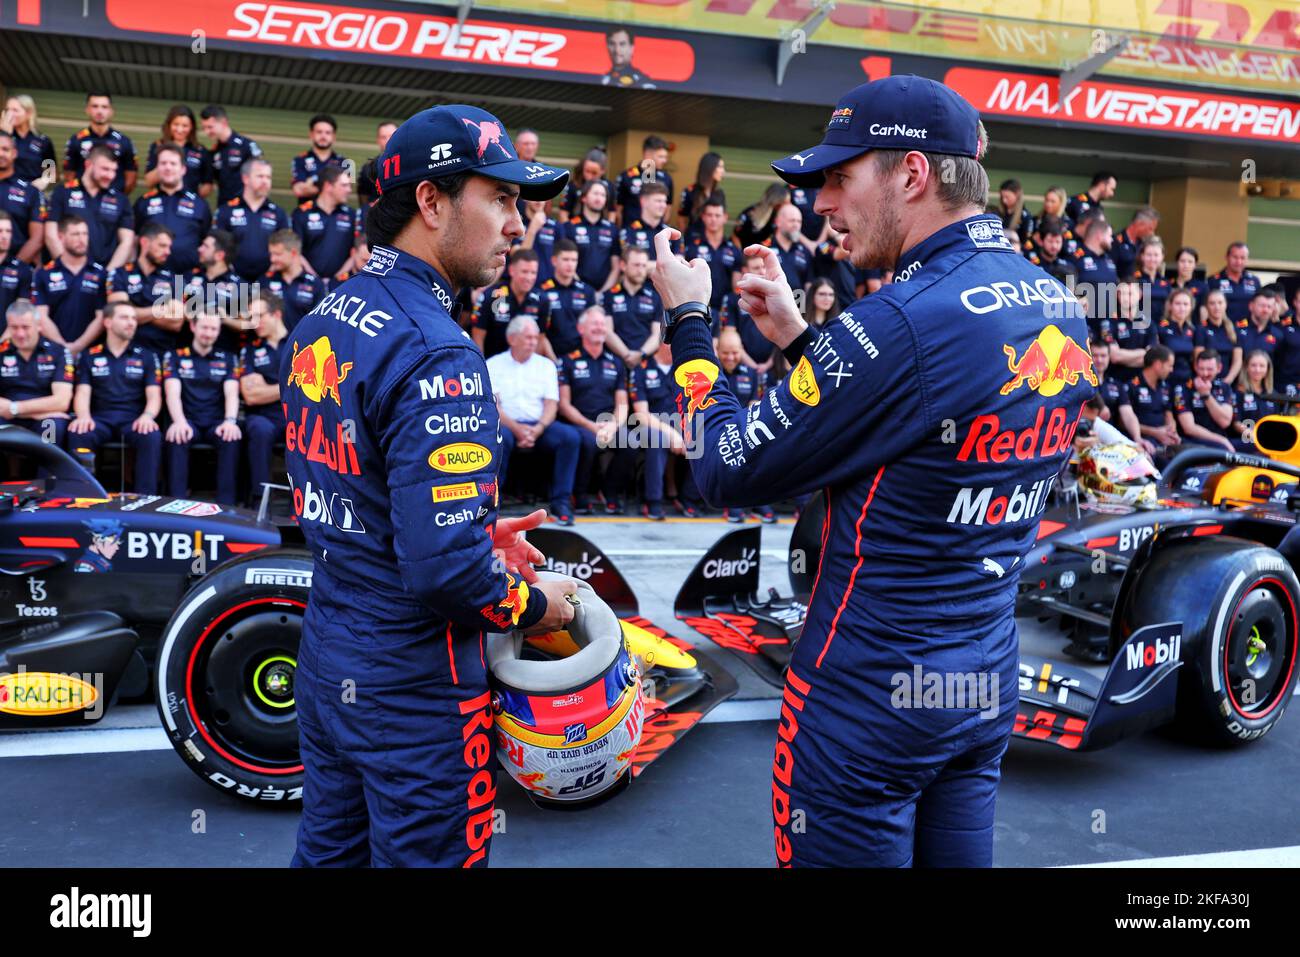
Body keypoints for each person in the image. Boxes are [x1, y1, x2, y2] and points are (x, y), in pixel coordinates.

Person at [651, 74, 1095, 867]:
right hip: (980, 680)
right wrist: (796, 335)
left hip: (867, 699)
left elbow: (725, 467)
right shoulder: (1055, 301)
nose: (822, 202)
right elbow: (913, 420)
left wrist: (689, 324)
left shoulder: (897, 317)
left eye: (840, 176)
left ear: (913, 175)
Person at [282, 104, 576, 867]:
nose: (520, 225)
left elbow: (367, 493)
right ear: (432, 202)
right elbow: (445, 571)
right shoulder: (439, 353)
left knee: (328, 858)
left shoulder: (324, 317)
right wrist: (540, 604)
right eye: (503, 199)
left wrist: (468, 531)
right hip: (414, 680)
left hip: (329, 649)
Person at [487, 315, 582, 525]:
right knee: (498, 439)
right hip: (506, 425)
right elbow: (494, 407)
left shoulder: (546, 366)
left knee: (570, 438)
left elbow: (551, 404)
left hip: (539, 425)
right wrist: (517, 428)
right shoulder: (493, 364)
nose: (533, 341)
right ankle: (494, 502)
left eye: (535, 337)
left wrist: (537, 429)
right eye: (528, 337)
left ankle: (561, 502)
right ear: (512, 339)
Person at [66, 301, 163, 492]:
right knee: (78, 431)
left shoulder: (146, 356)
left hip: (133, 420)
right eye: (125, 317)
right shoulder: (89, 356)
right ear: (108, 322)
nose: (131, 323)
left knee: (151, 435)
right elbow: (83, 391)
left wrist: (148, 416)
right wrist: (83, 416)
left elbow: (154, 395)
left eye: (134, 318)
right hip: (99, 418)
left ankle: (146, 499)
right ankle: (82, 496)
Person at [558, 306, 631, 514]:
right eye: (594, 324)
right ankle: (579, 495)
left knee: (631, 441)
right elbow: (564, 405)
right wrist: (591, 426)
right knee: (589, 442)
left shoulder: (616, 363)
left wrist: (613, 426)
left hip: (608, 423)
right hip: (579, 423)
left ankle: (610, 492)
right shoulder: (568, 361)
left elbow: (622, 404)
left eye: (602, 324)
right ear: (581, 329)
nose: (599, 328)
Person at [163, 312, 240, 503]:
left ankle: (227, 505)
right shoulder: (175, 357)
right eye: (204, 327)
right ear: (193, 327)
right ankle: (176, 501)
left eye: (213, 329)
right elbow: (172, 392)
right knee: (177, 435)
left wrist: (230, 421)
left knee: (231, 437)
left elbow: (232, 392)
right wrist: (179, 421)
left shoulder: (228, 358)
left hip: (216, 422)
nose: (209, 333)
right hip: (188, 420)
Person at [715, 328, 775, 524]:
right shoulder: (712, 374)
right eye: (725, 352)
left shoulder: (752, 374)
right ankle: (731, 503)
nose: (731, 357)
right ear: (717, 350)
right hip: (716, 428)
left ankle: (758, 500)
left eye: (735, 352)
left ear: (741, 350)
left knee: (762, 443)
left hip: (743, 425)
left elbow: (754, 404)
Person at [46, 146, 134, 272]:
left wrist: (108, 275)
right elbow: (51, 235)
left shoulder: (121, 200)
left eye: (114, 170)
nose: (110, 175)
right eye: (105, 169)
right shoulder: (62, 193)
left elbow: (127, 242)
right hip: (67, 275)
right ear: (88, 164)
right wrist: (69, 269)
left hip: (105, 277)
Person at [0, 299, 74, 446]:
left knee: (53, 428)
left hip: (45, 418)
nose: (20, 333)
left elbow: (62, 401)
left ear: (39, 326)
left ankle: (46, 470)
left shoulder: (58, 351)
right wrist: (26, 411)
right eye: (14, 327)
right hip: (8, 416)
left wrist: (15, 408)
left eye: (25, 327)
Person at [32, 216, 109, 355]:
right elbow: (41, 316)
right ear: (61, 237)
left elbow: (102, 317)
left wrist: (78, 346)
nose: (82, 239)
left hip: (92, 354)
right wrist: (64, 348)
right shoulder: (43, 274)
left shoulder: (101, 274)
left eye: (85, 234)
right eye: (75, 234)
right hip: (53, 352)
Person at [108, 222, 184, 360]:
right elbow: (117, 315)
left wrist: (136, 311)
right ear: (144, 242)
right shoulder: (120, 274)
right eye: (162, 246)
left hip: (163, 355)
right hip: (125, 354)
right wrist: (163, 309)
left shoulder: (176, 280)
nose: (168, 252)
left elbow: (177, 323)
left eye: (169, 247)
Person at [238, 293, 288, 505]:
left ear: (276, 314)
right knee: (259, 429)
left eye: (259, 316)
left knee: (312, 427)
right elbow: (251, 396)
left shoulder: (300, 342)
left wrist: (267, 388)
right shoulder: (250, 350)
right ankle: (261, 501)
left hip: (294, 414)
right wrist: (291, 385)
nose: (254, 323)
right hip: (262, 416)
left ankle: (303, 500)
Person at [627, 339, 684, 520]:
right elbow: (642, 415)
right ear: (663, 343)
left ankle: (690, 499)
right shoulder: (642, 369)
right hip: (648, 425)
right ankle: (654, 501)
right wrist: (672, 433)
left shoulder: (685, 369)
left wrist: (687, 430)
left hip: (682, 424)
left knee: (705, 436)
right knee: (658, 439)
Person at [132, 144, 211, 274]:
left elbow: (206, 242)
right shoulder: (143, 203)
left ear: (183, 169)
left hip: (186, 280)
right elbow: (133, 243)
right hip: (151, 278)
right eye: (163, 163)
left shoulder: (199, 205)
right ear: (157, 168)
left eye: (173, 164)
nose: (168, 167)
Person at [215, 158, 289, 282]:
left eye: (268, 177)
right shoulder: (226, 211)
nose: (265, 181)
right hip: (232, 281)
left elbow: (285, 246)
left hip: (267, 282)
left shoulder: (278, 214)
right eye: (260, 176)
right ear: (246, 179)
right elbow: (217, 244)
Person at [471, 247, 550, 359]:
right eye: (525, 272)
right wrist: (482, 366)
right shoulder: (494, 296)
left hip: (524, 367)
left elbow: (540, 338)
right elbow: (478, 336)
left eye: (533, 273)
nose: (529, 277)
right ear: (511, 270)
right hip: (493, 364)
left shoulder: (541, 300)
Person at [292, 166, 360, 281]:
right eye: (344, 185)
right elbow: (295, 251)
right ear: (328, 186)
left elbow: (356, 252)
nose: (349, 190)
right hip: (306, 283)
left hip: (341, 284)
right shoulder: (301, 213)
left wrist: (336, 279)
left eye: (349, 185)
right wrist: (315, 279)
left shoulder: (351, 215)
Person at [600, 245, 661, 368]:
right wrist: (627, 355)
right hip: (614, 363)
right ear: (623, 265)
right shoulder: (609, 296)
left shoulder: (655, 298)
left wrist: (640, 354)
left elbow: (657, 334)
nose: (640, 270)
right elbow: (607, 331)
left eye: (644, 266)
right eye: (636, 265)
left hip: (646, 363)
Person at [187, 230, 248, 353]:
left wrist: (225, 319)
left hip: (225, 356)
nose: (200, 249)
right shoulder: (188, 277)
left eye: (206, 246)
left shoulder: (240, 285)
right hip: (188, 355)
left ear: (219, 255)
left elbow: (247, 325)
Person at [63, 92, 136, 194]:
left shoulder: (124, 141)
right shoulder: (76, 140)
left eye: (104, 107)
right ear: (87, 110)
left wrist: (118, 199)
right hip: (83, 202)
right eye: (95, 106)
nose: (99, 111)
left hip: (113, 204)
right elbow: (69, 175)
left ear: (111, 111)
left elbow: (131, 178)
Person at [1117, 345, 1179, 463]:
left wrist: (1172, 432)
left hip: (1163, 438)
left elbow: (1168, 413)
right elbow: (1122, 423)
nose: (1171, 370)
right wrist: (1155, 433)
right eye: (1170, 366)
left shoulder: (1165, 386)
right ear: (1158, 365)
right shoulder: (1132, 386)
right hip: (1143, 439)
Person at [682, 196, 741, 314]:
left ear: (725, 217)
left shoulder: (734, 250)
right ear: (703, 217)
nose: (713, 219)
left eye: (717, 215)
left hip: (724, 312)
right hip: (696, 308)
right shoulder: (691, 247)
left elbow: (737, 287)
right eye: (709, 215)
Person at [262, 230, 327, 334]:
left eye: (278, 254)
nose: (272, 259)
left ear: (293, 253)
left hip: (302, 346)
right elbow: (248, 315)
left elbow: (321, 322)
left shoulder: (315, 284)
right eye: (271, 254)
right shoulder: (264, 280)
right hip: (273, 347)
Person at [538, 238, 595, 356]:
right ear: (554, 261)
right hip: (549, 356)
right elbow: (539, 332)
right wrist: (554, 361)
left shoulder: (587, 291)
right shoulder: (541, 291)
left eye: (574, 260)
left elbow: (591, 329)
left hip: (581, 359)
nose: (570, 264)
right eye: (565, 259)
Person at [1172, 349, 1235, 451]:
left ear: (1219, 368)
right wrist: (1221, 440)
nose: (1205, 373)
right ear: (1195, 367)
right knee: (1223, 448)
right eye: (1201, 369)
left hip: (1223, 439)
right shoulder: (1182, 388)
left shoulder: (1224, 387)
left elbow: (1225, 422)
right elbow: (1189, 428)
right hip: (1194, 440)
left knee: (1255, 443)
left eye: (1209, 369)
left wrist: (1206, 395)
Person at [564, 179, 621, 292]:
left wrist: (602, 293)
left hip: (604, 294)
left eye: (603, 195)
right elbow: (564, 262)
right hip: (574, 291)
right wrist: (584, 291)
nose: (599, 198)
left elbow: (616, 267)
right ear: (584, 198)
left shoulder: (612, 229)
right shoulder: (569, 227)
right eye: (595, 193)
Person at [200, 105, 264, 206]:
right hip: (224, 207)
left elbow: (261, 174)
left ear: (224, 123)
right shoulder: (213, 152)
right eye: (204, 128)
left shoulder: (246, 145)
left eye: (210, 127)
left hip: (246, 207)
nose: (207, 132)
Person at [143, 105, 212, 197]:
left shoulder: (200, 150)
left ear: (192, 127)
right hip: (161, 204)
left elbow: (207, 184)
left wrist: (194, 201)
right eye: (176, 124)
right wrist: (164, 160)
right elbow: (148, 183)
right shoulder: (158, 146)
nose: (180, 130)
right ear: (169, 125)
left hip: (189, 207)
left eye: (185, 126)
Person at [0, 130, 47, 265]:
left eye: (5, 149)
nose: (1, 153)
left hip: (18, 274)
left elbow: (38, 238)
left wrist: (12, 270)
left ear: (14, 153)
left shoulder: (30, 192)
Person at [614, 135, 672, 225]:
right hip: (631, 232)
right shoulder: (626, 176)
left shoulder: (666, 178)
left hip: (656, 232)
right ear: (647, 155)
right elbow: (618, 210)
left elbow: (668, 209)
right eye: (660, 157)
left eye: (665, 157)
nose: (664, 160)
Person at [2, 95, 57, 186]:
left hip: (31, 193)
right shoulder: (3, 136)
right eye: (8, 110)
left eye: (15, 110)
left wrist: (43, 181)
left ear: (29, 113)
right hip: (4, 191)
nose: (10, 114)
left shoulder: (43, 141)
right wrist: (4, 134)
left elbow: (51, 173)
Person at [292, 114, 348, 201]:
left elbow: (345, 192)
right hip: (307, 212)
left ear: (334, 137)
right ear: (311, 134)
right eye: (319, 132)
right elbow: (299, 190)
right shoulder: (300, 160)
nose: (323, 136)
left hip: (337, 213)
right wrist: (332, 186)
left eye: (328, 133)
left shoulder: (344, 162)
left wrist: (312, 182)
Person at [1234, 349, 1281, 449]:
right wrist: (1255, 437)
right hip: (1245, 443)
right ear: (1246, 367)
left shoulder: (1273, 394)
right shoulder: (1239, 392)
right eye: (1253, 365)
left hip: (1269, 443)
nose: (1257, 370)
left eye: (1262, 366)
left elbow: (1277, 421)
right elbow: (1236, 423)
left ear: (1268, 369)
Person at [620, 182, 677, 262]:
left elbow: (679, 264)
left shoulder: (671, 233)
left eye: (664, 201)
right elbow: (631, 265)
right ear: (643, 201)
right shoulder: (628, 232)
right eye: (658, 201)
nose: (663, 205)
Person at [1194, 288, 1241, 384]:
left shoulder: (1233, 329)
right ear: (1207, 306)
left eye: (1220, 303)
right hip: (1206, 381)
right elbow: (1197, 359)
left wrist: (1228, 380)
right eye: (1212, 303)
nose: (1217, 307)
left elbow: (1238, 360)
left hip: (1229, 382)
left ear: (1225, 304)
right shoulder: (1201, 329)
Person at [761, 204, 812, 290]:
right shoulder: (764, 248)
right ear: (778, 222)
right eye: (792, 221)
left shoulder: (804, 251)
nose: (796, 225)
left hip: (798, 302)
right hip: (770, 300)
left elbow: (809, 283)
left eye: (799, 221)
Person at [1208, 242, 1261, 323]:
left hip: (1249, 331)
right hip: (1223, 330)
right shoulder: (1213, 281)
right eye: (1235, 257)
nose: (1239, 262)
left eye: (1242, 258)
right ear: (1227, 257)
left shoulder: (1254, 281)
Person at [679, 152, 726, 235]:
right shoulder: (690, 191)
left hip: (711, 240)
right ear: (709, 167)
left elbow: (721, 221)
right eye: (720, 167)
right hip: (692, 240)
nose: (723, 171)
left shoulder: (719, 193)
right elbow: (682, 219)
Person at [1110, 206, 1160, 279]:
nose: (1152, 233)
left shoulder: (1144, 244)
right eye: (1150, 228)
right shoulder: (1116, 242)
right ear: (1140, 224)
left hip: (1143, 286)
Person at [1025, 215, 1077, 285]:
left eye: (1058, 241)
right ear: (1041, 241)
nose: (1054, 246)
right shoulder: (1029, 263)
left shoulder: (1068, 267)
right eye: (1050, 241)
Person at [734, 183, 787, 249]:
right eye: (784, 202)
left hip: (766, 253)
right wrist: (741, 255)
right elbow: (735, 236)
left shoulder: (778, 217)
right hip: (746, 253)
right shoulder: (749, 213)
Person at [355, 120, 397, 206]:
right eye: (383, 137)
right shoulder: (368, 168)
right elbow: (363, 198)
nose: (388, 140)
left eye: (391, 136)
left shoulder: (410, 163)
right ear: (378, 140)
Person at [519, 199, 561, 284]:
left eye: (542, 196)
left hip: (548, 286)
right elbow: (518, 257)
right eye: (534, 195)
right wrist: (533, 228)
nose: (538, 200)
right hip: (522, 284)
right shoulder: (518, 226)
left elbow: (562, 259)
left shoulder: (556, 226)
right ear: (525, 198)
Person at [1131, 236, 1171, 326]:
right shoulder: (1134, 280)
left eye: (1156, 255)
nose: (1152, 259)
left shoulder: (1166, 282)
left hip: (1161, 327)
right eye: (1149, 255)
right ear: (1142, 256)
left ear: (1162, 257)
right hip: (1140, 326)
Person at [0, 212, 33, 319]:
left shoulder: (22, 269)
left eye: (8, 231)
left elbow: (21, 314)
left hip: (9, 334)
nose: (4, 236)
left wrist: (5, 337)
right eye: (0, 231)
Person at [1236, 289, 1281, 364]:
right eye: (1262, 306)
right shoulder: (1236, 330)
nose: (1265, 310)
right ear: (1251, 306)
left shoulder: (1278, 335)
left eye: (1269, 306)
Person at [561, 147, 608, 219]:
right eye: (587, 171)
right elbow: (563, 214)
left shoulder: (608, 187)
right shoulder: (572, 186)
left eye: (594, 173)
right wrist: (569, 229)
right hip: (574, 227)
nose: (589, 176)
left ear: (603, 171)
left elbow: (612, 213)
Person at [990, 178, 1033, 247]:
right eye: (1002, 197)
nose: (1004, 200)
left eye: (1007, 197)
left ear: (1017, 195)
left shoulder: (1025, 216)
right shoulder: (997, 212)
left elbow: (1026, 242)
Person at [1090, 339, 1125, 422]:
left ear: (1109, 357)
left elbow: (1128, 413)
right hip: (1086, 429)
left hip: (1111, 430)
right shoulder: (1080, 381)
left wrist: (1136, 435)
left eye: (1103, 356)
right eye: (1095, 355)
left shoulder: (1117, 384)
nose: (1099, 360)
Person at [1170, 245, 1207, 314]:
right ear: (1177, 263)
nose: (1186, 265)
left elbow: (1204, 313)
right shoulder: (1168, 285)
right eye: (1182, 261)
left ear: (1195, 265)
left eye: (1190, 262)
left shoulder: (1202, 287)